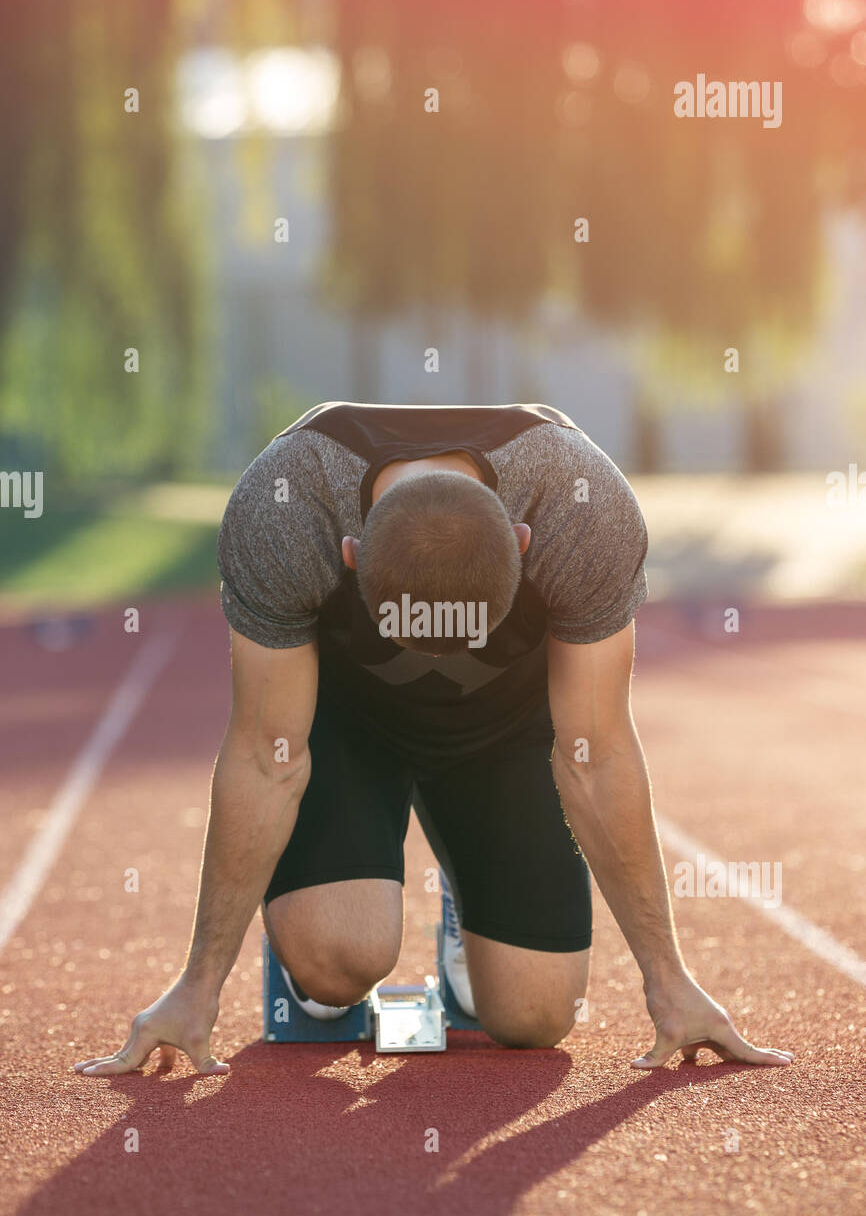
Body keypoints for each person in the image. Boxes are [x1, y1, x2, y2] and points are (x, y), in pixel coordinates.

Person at [75, 402, 792, 1077]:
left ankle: (464, 894)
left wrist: (669, 983)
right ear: (349, 555)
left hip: (505, 733)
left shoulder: (581, 510)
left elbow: (597, 753)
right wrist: (198, 985)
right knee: (336, 967)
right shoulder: (285, 509)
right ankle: (314, 920)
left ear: (521, 541)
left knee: (536, 1017)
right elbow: (266, 756)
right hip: (346, 726)